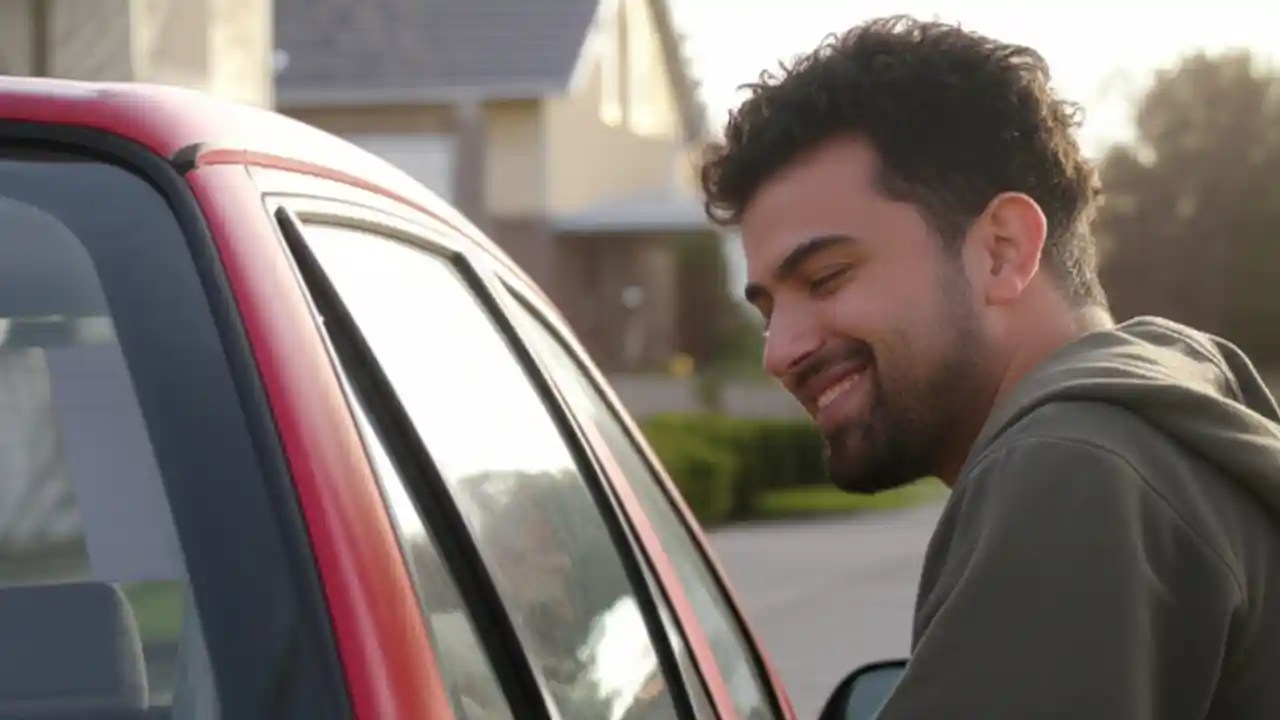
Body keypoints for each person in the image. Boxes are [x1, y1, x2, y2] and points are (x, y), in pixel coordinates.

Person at [699, 15, 1280, 719]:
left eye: (826, 278)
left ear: (1001, 250)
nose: (778, 352)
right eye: (767, 310)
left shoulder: (1075, 468)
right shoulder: (1161, 425)